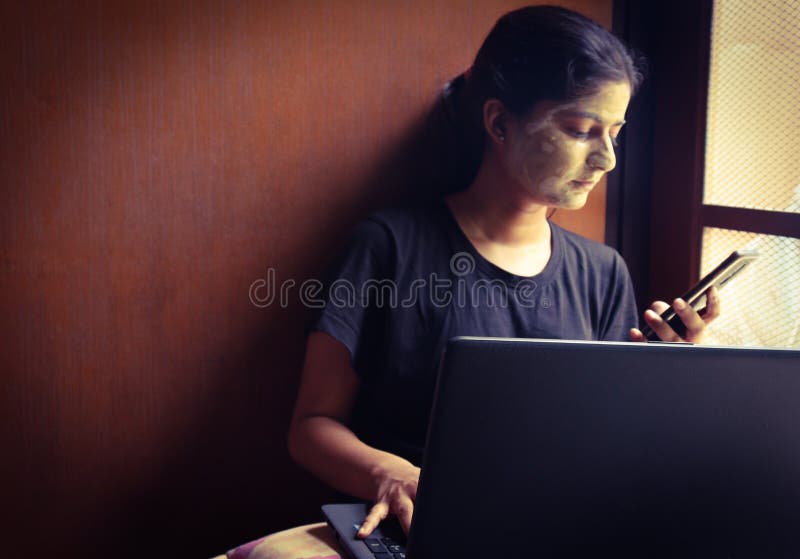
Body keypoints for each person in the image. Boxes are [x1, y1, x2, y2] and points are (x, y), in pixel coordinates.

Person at [287, 4, 721, 542]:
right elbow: (311, 427)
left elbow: (606, 443)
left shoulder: (603, 271)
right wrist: (389, 472)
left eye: (615, 133)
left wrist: (672, 378)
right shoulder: (390, 246)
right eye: (581, 130)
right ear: (498, 122)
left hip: (556, 530)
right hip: (419, 529)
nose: (607, 158)